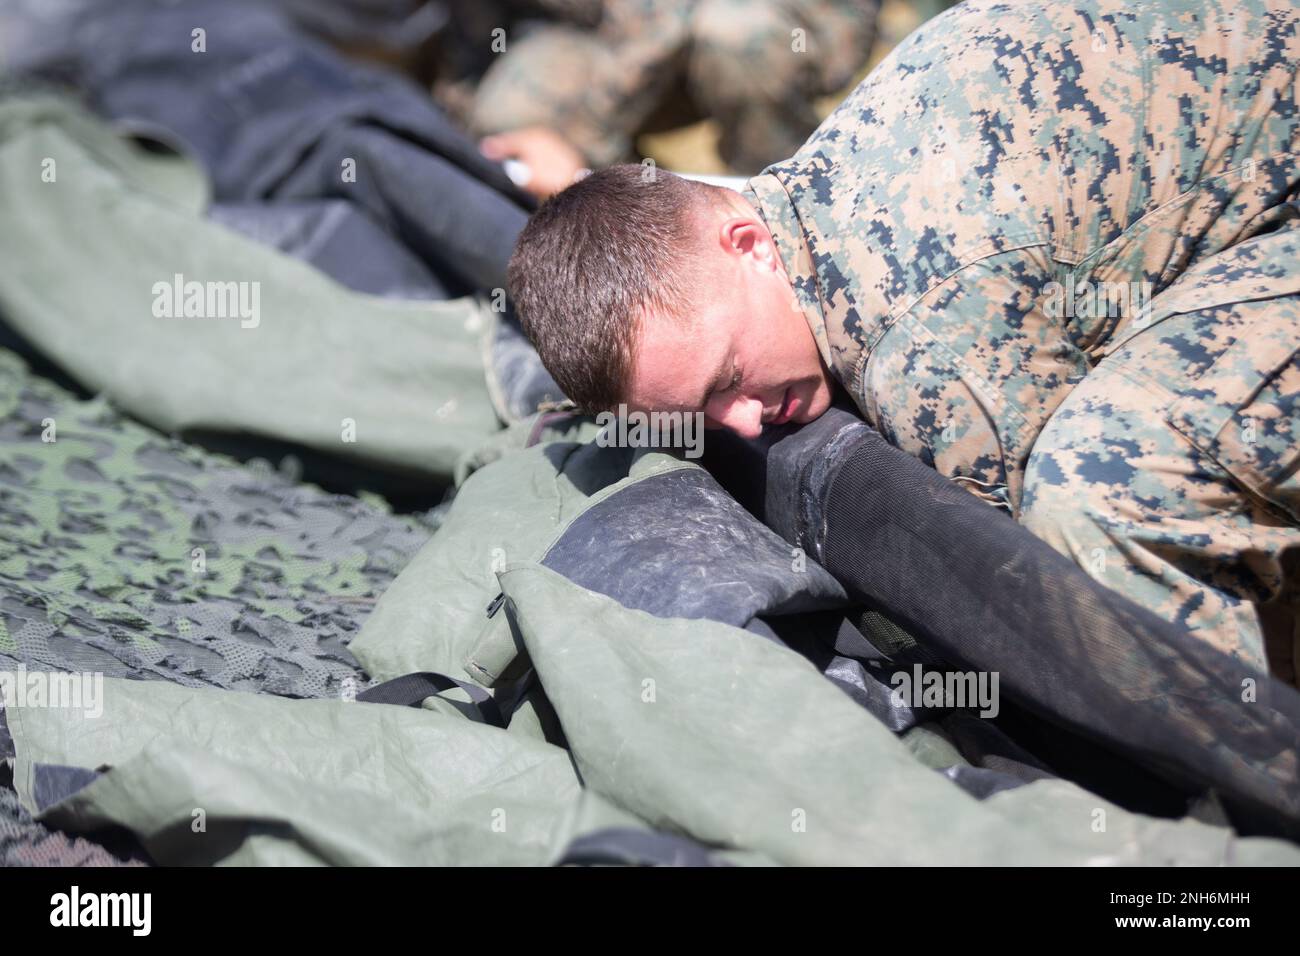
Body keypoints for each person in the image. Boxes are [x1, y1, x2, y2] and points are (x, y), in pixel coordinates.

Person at [506, 0, 1300, 682]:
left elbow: (1029, 586)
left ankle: (1250, 792)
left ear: (746, 243)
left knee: (1105, 494)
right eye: (705, 417)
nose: (745, 423)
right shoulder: (813, 192)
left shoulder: (919, 342)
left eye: (730, 378)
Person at [433, 0, 879, 197]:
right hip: (604, 31)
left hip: (761, 18)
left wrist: (588, 133)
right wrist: (466, 135)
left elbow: (665, 25)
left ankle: (789, 200)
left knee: (738, 38)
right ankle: (637, 233)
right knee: (511, 118)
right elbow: (476, 37)